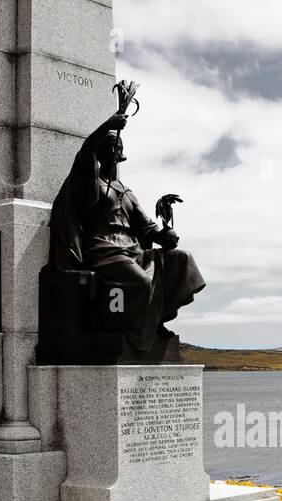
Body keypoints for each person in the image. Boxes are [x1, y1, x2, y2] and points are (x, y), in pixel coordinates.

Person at [49, 110, 205, 356]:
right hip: (103, 249)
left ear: (121, 154)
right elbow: (85, 153)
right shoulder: (92, 183)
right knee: (141, 281)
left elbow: (145, 226)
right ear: (101, 153)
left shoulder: (127, 192)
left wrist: (165, 235)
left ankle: (153, 322)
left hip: (132, 249)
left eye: (116, 146)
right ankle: (134, 334)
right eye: (108, 146)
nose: (113, 149)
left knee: (183, 261)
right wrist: (108, 125)